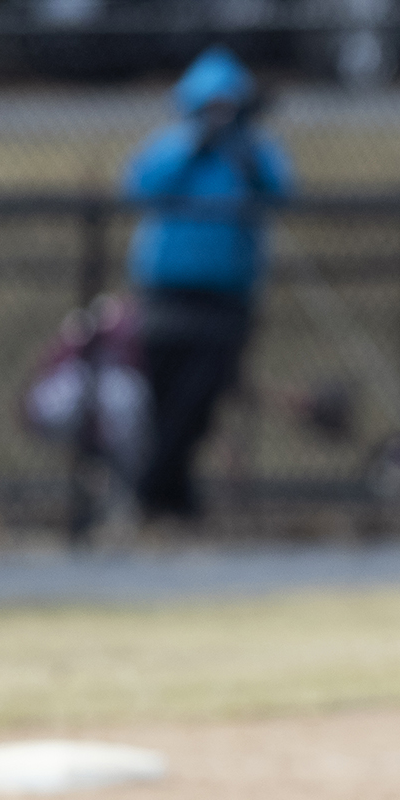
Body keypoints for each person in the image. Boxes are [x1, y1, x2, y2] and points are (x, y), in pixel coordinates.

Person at [123, 45, 295, 522]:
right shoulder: (174, 147)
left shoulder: (253, 151)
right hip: (164, 295)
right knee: (165, 399)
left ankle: (150, 491)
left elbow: (282, 191)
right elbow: (139, 186)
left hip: (226, 300)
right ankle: (170, 498)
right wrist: (194, 146)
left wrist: (246, 159)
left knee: (201, 398)